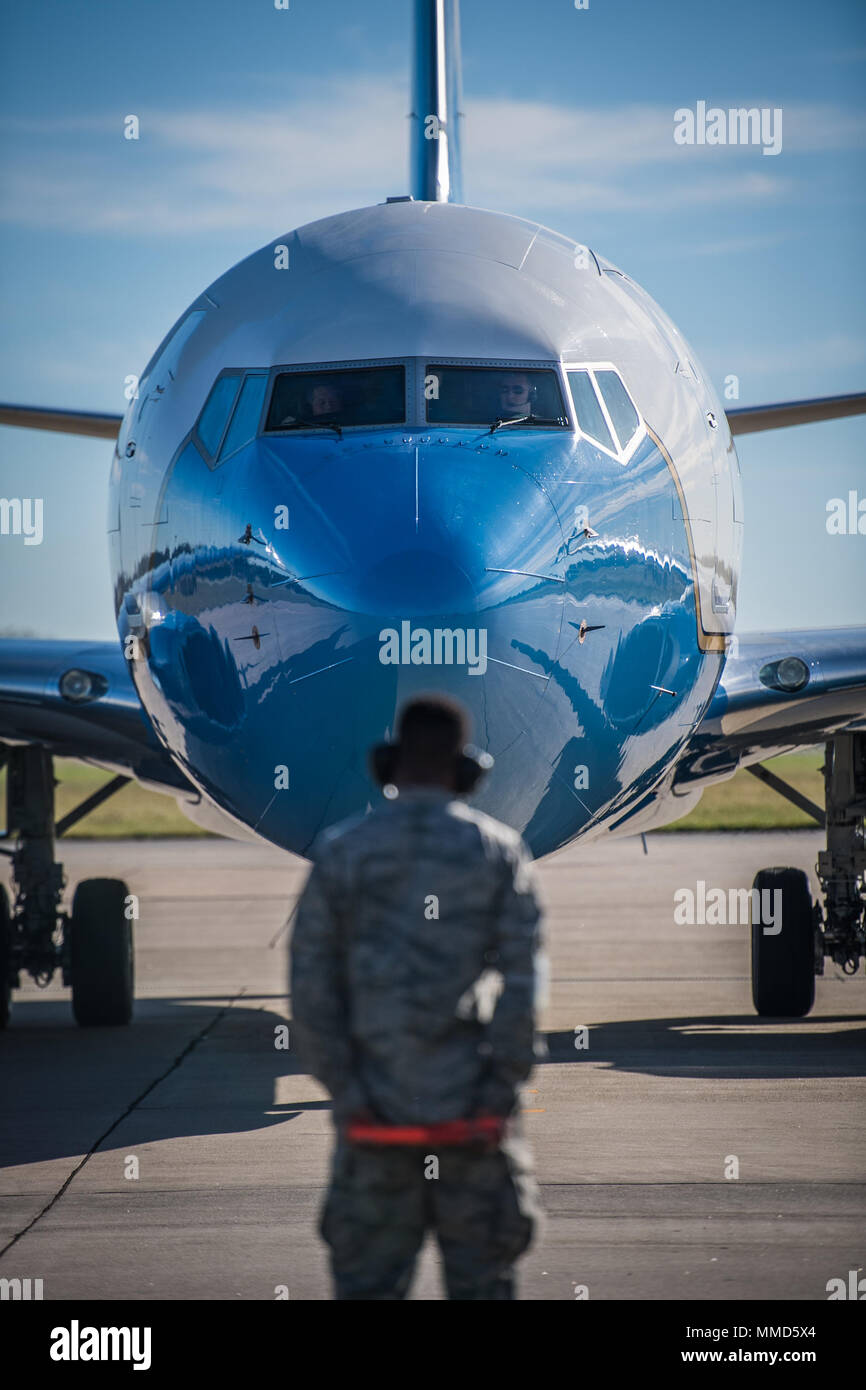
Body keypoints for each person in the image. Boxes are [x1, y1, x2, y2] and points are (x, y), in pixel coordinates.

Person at [290, 694, 546, 1300]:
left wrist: (349, 1094)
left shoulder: (341, 851)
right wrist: (497, 1095)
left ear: (389, 764)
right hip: (472, 1125)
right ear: (467, 769)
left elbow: (311, 989)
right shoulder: (498, 852)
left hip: (374, 1120)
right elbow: (524, 985)